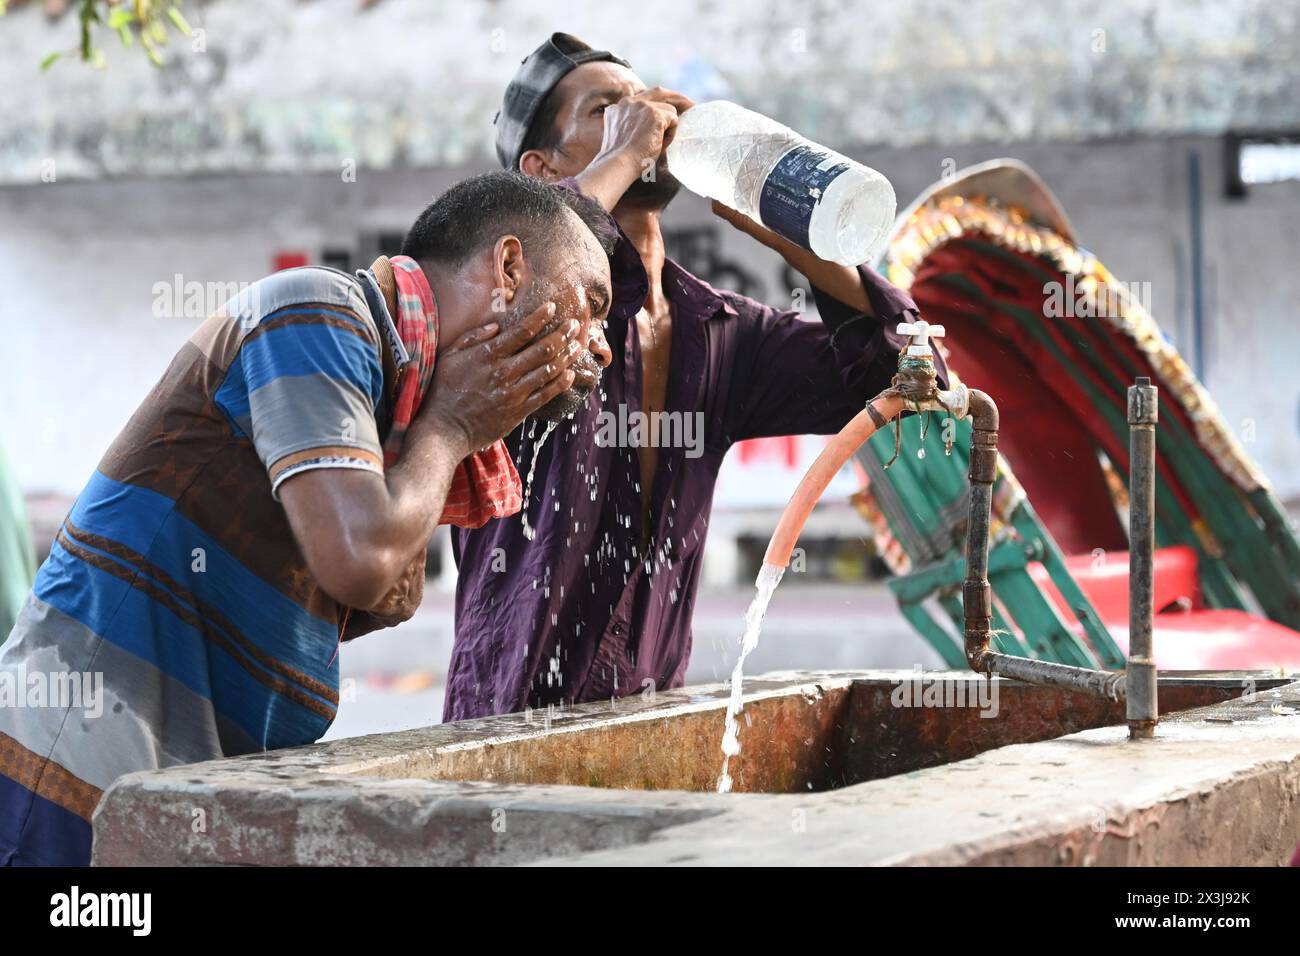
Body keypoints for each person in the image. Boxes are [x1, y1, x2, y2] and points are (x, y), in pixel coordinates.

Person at [0, 171, 615, 866]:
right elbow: (361, 561)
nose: (602, 345)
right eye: (591, 306)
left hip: (163, 806)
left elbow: (392, 593)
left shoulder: (394, 399)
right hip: (66, 785)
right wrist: (450, 429)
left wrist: (439, 428)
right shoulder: (318, 314)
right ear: (508, 268)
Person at [447, 33, 946, 721]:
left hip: (652, 730)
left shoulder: (721, 332)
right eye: (607, 108)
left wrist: (799, 235)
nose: (647, 113)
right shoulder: (513, 300)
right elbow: (541, 267)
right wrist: (625, 154)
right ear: (540, 170)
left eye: (644, 97)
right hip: (500, 723)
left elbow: (908, 375)